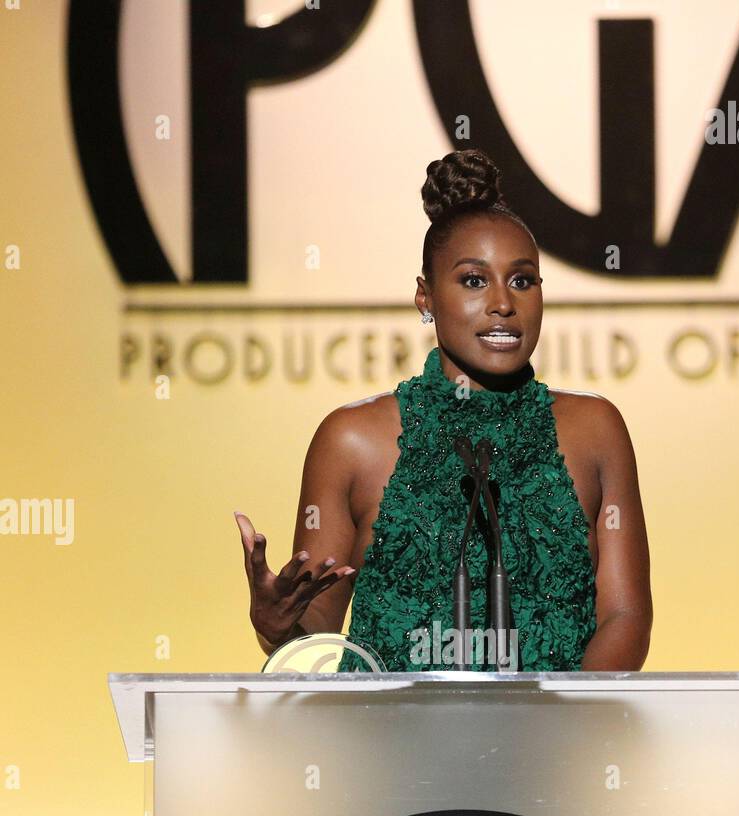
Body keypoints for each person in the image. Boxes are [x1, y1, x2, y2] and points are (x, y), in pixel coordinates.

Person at [236, 148, 651, 672]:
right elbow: (314, 630)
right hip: (388, 748)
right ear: (425, 298)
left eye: (523, 280)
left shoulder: (595, 430)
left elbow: (626, 617)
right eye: (474, 280)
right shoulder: (354, 440)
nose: (503, 302)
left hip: (555, 749)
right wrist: (276, 627)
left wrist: (556, 730)